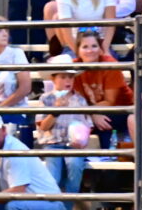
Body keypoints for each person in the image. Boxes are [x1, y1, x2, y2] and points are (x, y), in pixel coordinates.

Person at [32, 55, 96, 201]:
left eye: (70, 77)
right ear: (54, 79)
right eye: (63, 77)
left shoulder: (80, 100)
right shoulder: (46, 99)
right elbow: (43, 126)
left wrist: (81, 139)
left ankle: (64, 207)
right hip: (52, 144)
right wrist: (55, 111)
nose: (68, 81)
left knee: (74, 165)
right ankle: (53, 204)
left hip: (74, 146)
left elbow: (87, 125)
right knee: (53, 171)